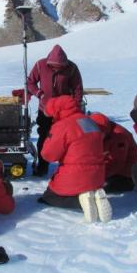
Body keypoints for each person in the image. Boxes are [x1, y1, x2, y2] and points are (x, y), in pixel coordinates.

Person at [37, 96, 110, 222]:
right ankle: (94, 194)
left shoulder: (62, 126)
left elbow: (48, 155)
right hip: (97, 177)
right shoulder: (90, 121)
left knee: (49, 196)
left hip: (75, 176)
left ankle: (82, 201)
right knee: (81, 185)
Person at [26, 44, 83, 176]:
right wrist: (39, 93)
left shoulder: (72, 68)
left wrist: (75, 106)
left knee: (66, 139)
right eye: (55, 67)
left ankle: (66, 167)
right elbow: (30, 83)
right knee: (44, 137)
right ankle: (42, 166)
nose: (58, 69)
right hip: (45, 110)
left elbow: (77, 89)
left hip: (65, 112)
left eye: (61, 67)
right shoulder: (41, 65)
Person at [89, 112, 137, 193]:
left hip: (124, 174)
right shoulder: (101, 134)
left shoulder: (119, 136)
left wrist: (99, 176)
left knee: (101, 189)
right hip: (107, 168)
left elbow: (117, 164)